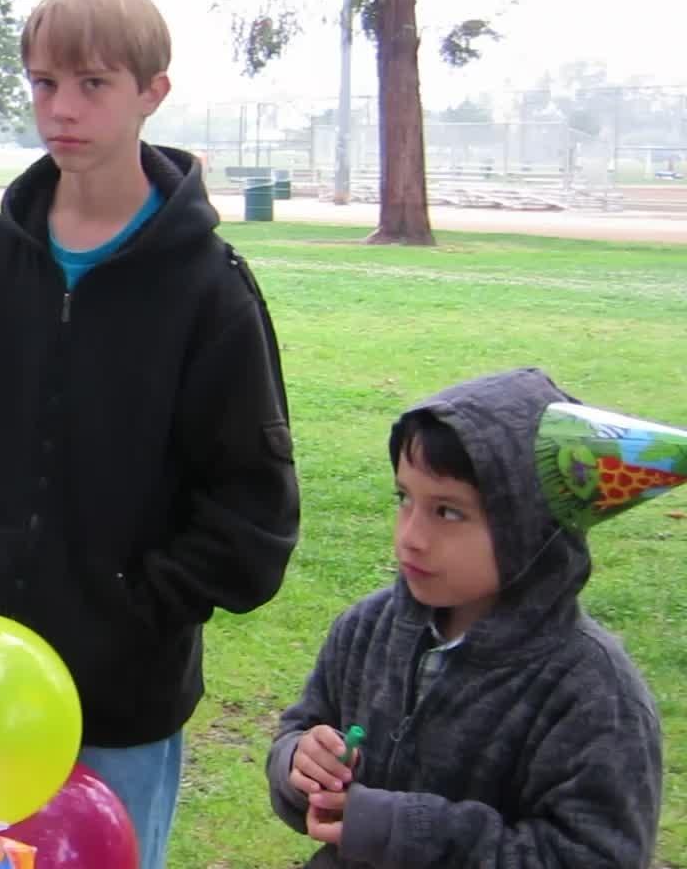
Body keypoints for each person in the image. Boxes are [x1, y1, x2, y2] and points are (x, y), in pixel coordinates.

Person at [0, 0, 300, 867]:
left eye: (93, 84)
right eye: (45, 84)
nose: (63, 110)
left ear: (152, 91)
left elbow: (255, 514)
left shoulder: (209, 291)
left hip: (116, 702)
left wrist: (129, 608)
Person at [267, 368, 672, 866]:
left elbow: (594, 856)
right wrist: (298, 763)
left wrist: (402, 831)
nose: (410, 536)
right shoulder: (365, 630)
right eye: (404, 499)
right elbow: (302, 726)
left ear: (527, 525)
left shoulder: (594, 693)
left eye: (448, 512)